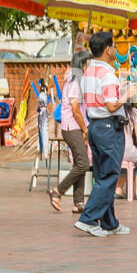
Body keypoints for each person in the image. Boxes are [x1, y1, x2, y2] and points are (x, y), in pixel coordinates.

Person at [75, 31, 129, 237]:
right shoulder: (107, 74)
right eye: (114, 46)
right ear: (108, 49)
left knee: (102, 175)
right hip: (108, 127)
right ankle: (88, 219)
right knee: (109, 175)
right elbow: (111, 104)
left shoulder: (88, 72)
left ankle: (109, 222)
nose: (115, 50)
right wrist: (126, 95)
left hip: (95, 126)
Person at [49, 49, 92, 214]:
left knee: (80, 162)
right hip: (72, 127)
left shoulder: (77, 81)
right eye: (88, 64)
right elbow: (75, 109)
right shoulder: (75, 83)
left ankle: (79, 202)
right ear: (82, 64)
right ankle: (58, 191)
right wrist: (85, 129)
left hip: (74, 127)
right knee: (83, 164)